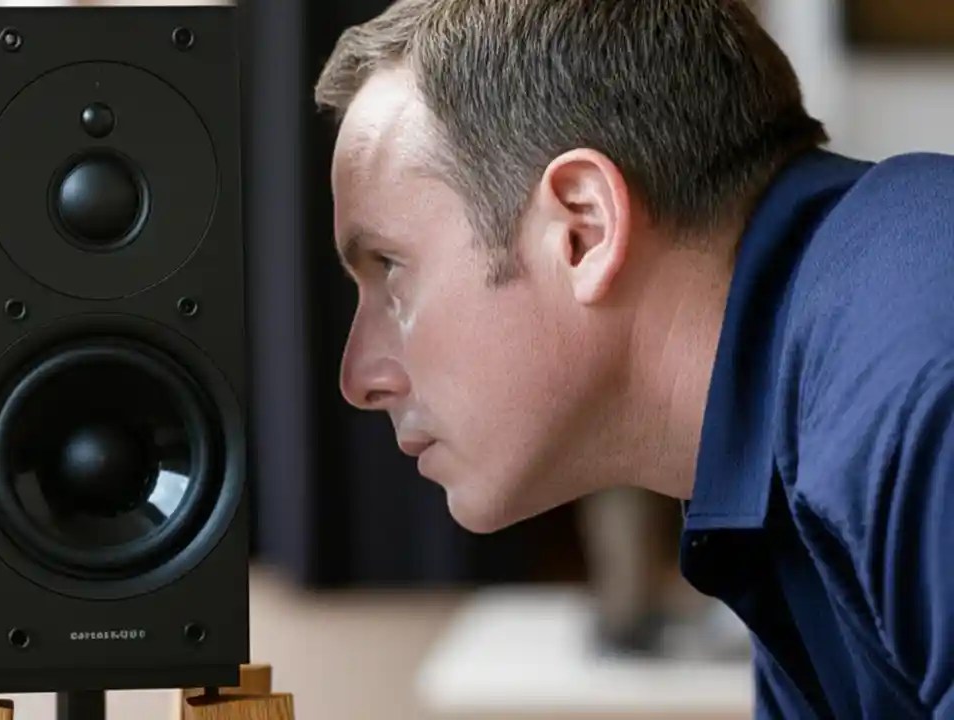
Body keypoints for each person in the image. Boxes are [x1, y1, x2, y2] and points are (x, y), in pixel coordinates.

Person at [313, 1, 954, 717]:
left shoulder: (915, 384)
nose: (359, 377)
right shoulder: (785, 443)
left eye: (391, 270)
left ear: (583, 230)